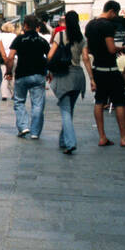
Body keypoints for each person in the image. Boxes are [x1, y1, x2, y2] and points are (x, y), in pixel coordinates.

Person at [84, 0, 125, 147]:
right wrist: (124, 48)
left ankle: (102, 137)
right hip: (111, 70)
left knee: (99, 101)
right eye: (116, 14)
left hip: (97, 68)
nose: (116, 16)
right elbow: (111, 49)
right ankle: (124, 138)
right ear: (112, 11)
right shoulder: (108, 26)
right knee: (119, 102)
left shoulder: (90, 25)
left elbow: (89, 48)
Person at [47, 10, 86, 154]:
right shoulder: (81, 37)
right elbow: (86, 59)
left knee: (65, 111)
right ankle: (63, 140)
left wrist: (49, 70)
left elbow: (50, 55)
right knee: (70, 109)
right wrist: (92, 79)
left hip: (64, 75)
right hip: (78, 76)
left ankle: (70, 142)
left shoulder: (60, 34)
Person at [8, 15, 49, 139]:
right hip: (38, 74)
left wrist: (9, 71)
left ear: (25, 25)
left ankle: (23, 126)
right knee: (37, 104)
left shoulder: (19, 39)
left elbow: (10, 57)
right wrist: (49, 71)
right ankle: (35, 132)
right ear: (37, 26)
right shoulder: (42, 41)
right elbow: (50, 56)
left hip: (22, 74)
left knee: (19, 101)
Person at [0, 22, 18, 101]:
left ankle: (4, 94)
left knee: (4, 76)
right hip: (13, 57)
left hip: (3, 58)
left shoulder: (0, 36)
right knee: (13, 75)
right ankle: (14, 93)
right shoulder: (14, 36)